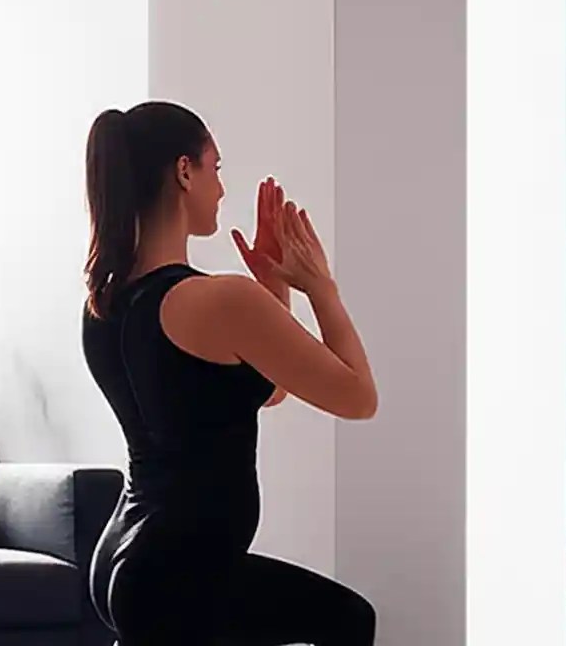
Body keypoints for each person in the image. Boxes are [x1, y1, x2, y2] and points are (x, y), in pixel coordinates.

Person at [79, 101, 378, 645]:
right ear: (184, 171)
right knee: (349, 622)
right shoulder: (218, 300)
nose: (220, 188)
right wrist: (321, 288)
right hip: (178, 572)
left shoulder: (107, 300)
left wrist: (273, 286)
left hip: (126, 557)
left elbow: (267, 390)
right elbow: (358, 397)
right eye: (215, 168)